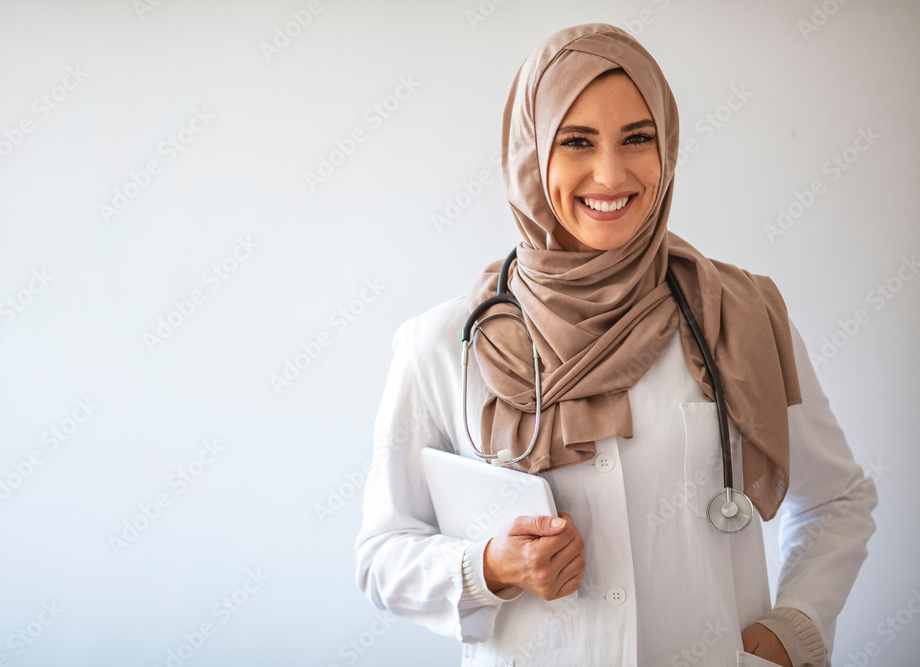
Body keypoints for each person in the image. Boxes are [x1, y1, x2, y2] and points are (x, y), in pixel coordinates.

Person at [354, 23, 877, 667]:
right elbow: (383, 555)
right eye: (576, 141)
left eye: (638, 138)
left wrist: (791, 632)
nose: (610, 173)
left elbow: (837, 501)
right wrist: (486, 566)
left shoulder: (739, 316)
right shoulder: (441, 346)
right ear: (530, 155)